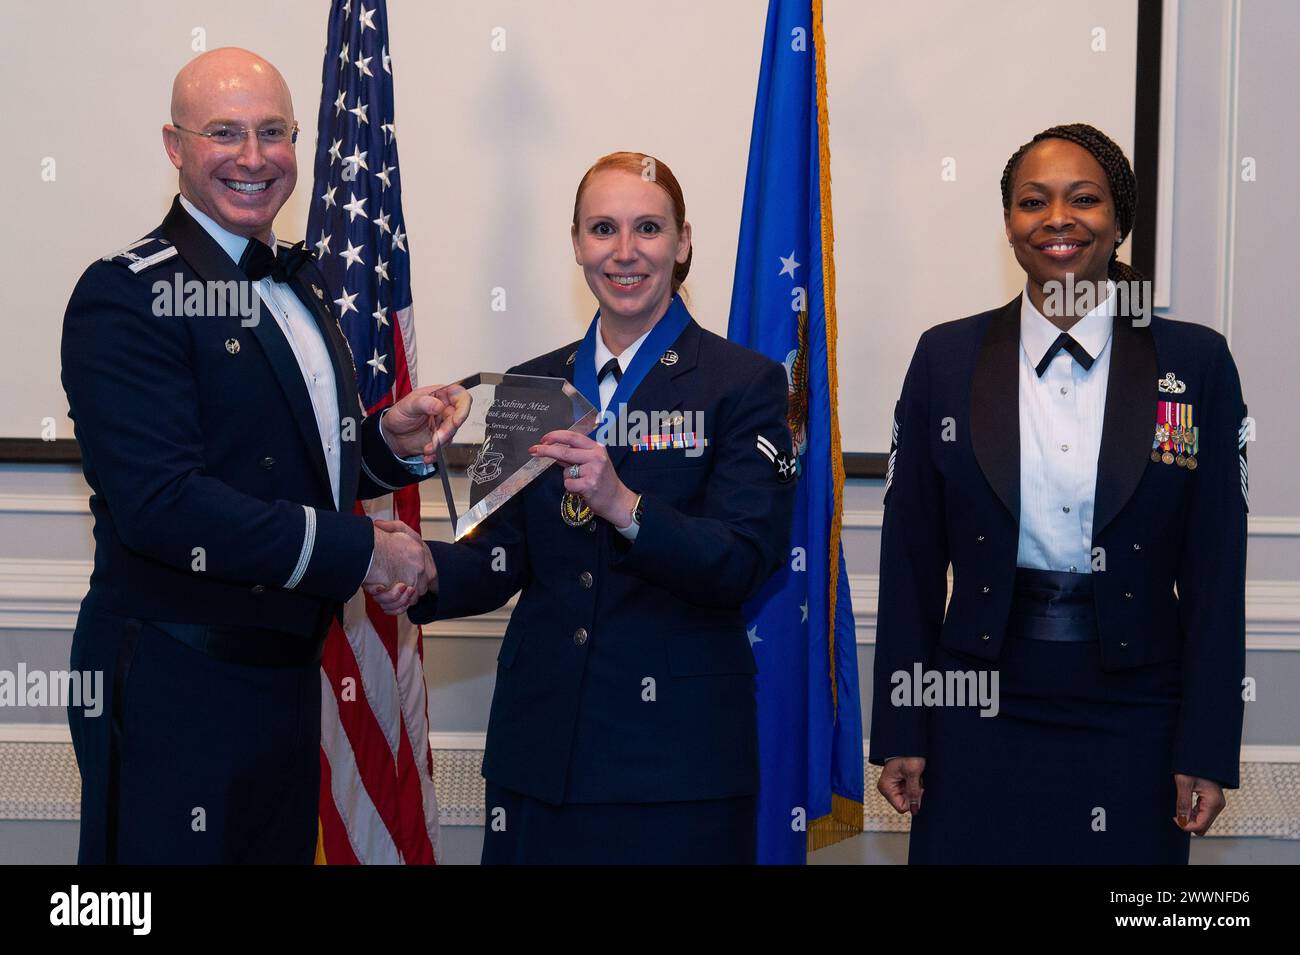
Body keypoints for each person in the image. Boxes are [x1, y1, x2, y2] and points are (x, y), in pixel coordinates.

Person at [60, 48, 467, 864]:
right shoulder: (125, 295)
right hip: (176, 678)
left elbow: (289, 459)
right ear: (174, 146)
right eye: (225, 133)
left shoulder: (299, 281)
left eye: (274, 133)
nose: (254, 158)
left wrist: (388, 442)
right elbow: (165, 504)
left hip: (283, 675)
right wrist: (362, 548)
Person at [371, 152, 797, 863]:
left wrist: (625, 505)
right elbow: (496, 557)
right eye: (603, 228)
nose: (624, 252)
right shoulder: (531, 382)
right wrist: (425, 568)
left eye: (648, 229)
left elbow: (742, 564)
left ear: (683, 242)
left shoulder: (743, 383)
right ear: (576, 243)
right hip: (543, 756)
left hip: (678, 767)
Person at [869, 124, 1248, 864]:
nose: (1057, 219)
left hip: (1137, 709)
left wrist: (1206, 742)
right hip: (974, 703)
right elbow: (909, 557)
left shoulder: (1195, 360)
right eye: (1031, 201)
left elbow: (1215, 570)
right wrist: (903, 726)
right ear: (1008, 223)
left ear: (1119, 217)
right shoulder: (946, 356)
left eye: (1084, 198)